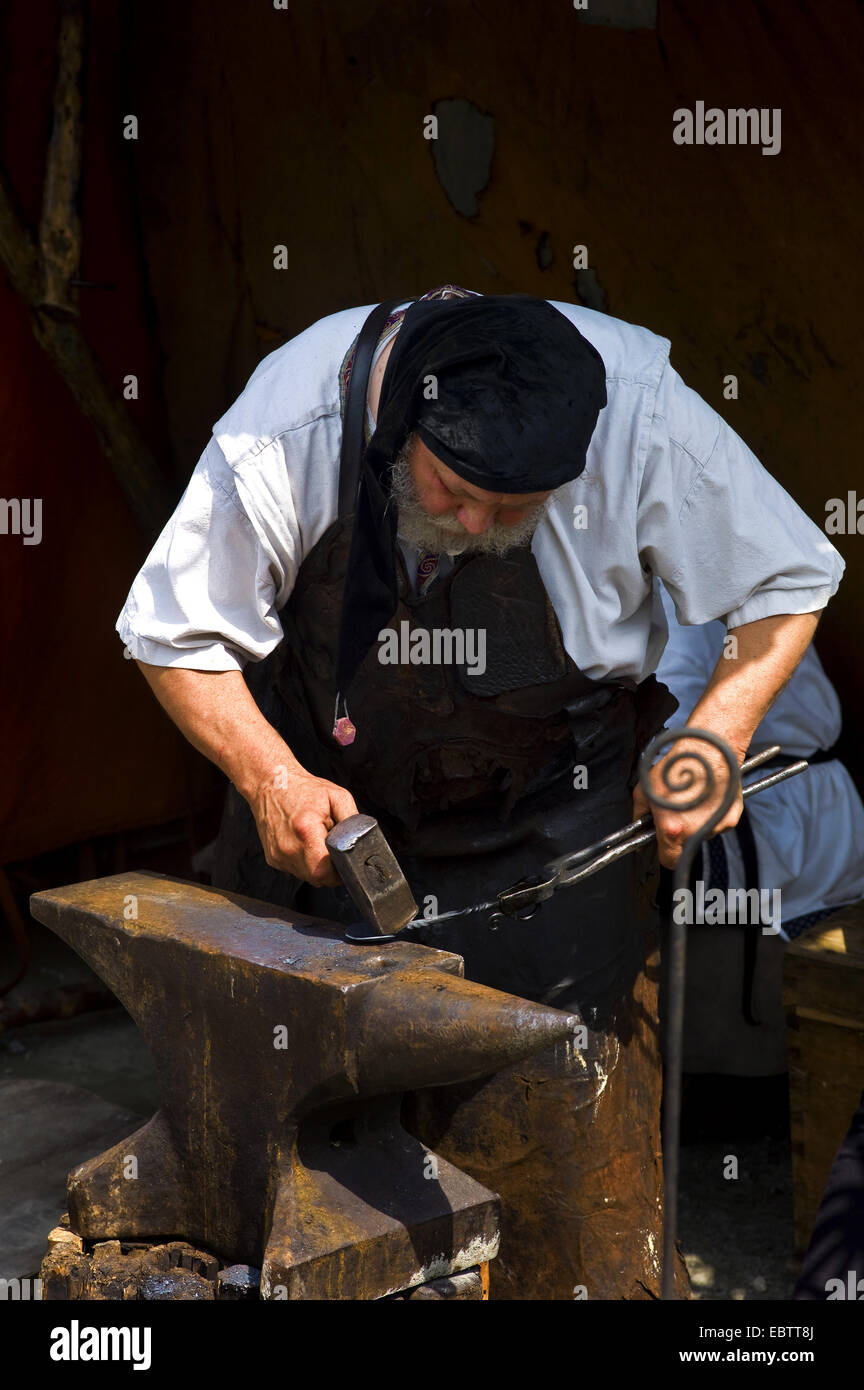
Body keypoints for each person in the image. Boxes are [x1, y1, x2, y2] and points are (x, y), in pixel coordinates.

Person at [117, 284, 843, 1299]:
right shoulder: (293, 419)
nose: (477, 527)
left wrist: (714, 734)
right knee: (310, 1183)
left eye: (518, 510)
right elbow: (171, 631)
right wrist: (269, 777)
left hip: (559, 823)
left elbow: (787, 583)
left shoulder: (644, 409)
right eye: (454, 493)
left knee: (576, 1193)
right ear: (403, 421)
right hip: (326, 819)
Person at [653, 580, 864, 1074]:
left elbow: (673, 712)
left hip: (777, 796)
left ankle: (741, 1087)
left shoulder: (672, 576)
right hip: (777, 790)